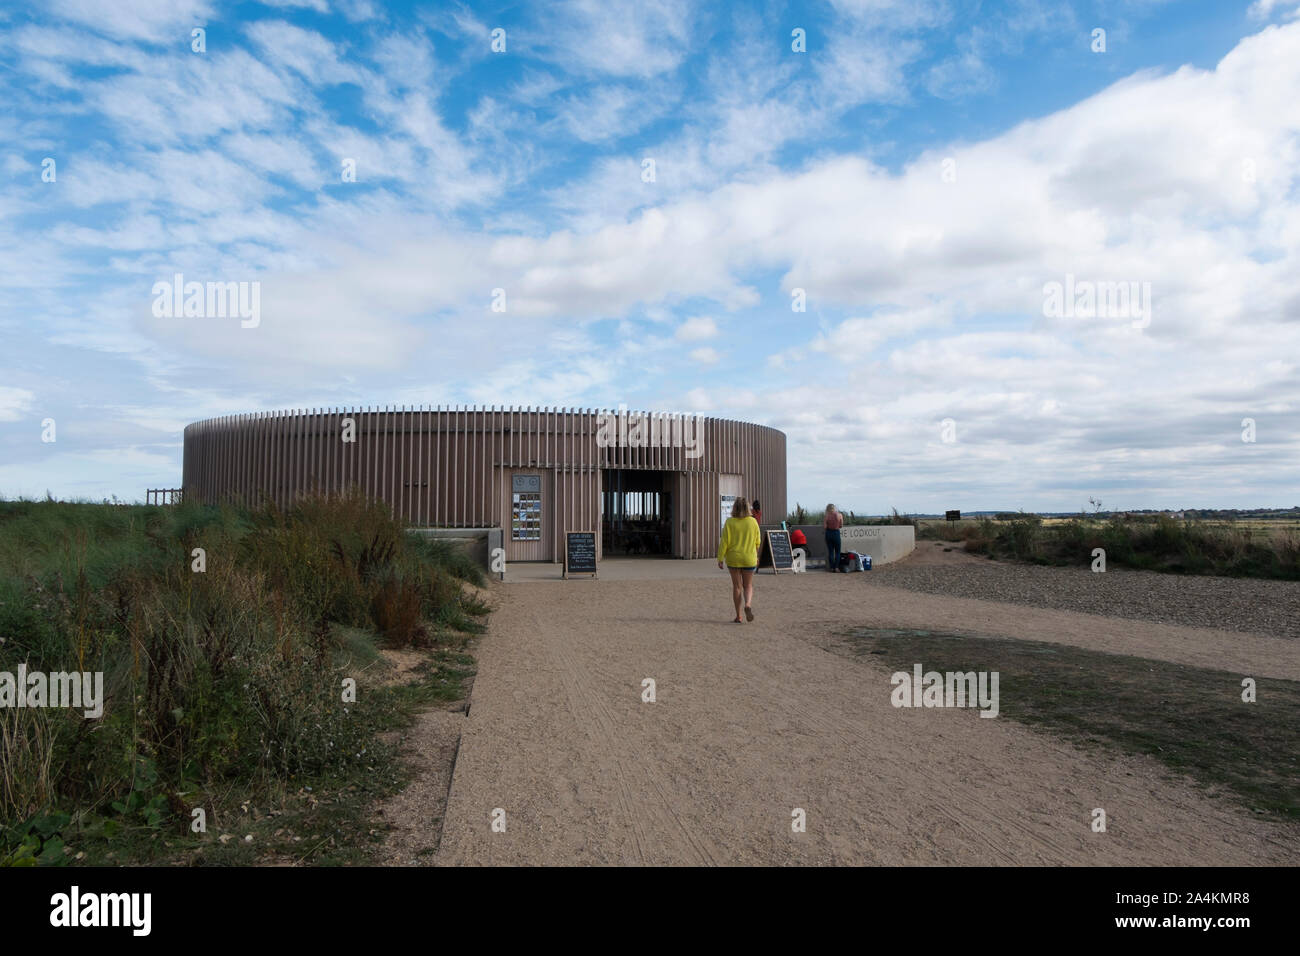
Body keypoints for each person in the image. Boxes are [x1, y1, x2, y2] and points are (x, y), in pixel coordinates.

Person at [717, 497, 761, 623]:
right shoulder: (753, 522)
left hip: (734, 559)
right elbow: (757, 542)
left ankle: (739, 616)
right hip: (749, 558)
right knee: (748, 585)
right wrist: (756, 556)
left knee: (737, 587)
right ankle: (748, 604)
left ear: (734, 508)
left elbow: (724, 542)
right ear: (748, 508)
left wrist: (720, 558)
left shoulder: (730, 522)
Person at [823, 503, 843, 572]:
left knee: (831, 552)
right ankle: (836, 567)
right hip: (836, 533)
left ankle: (831, 567)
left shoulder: (826, 516)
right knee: (837, 552)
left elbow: (825, 527)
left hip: (828, 533)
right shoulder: (839, 515)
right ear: (834, 508)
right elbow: (841, 526)